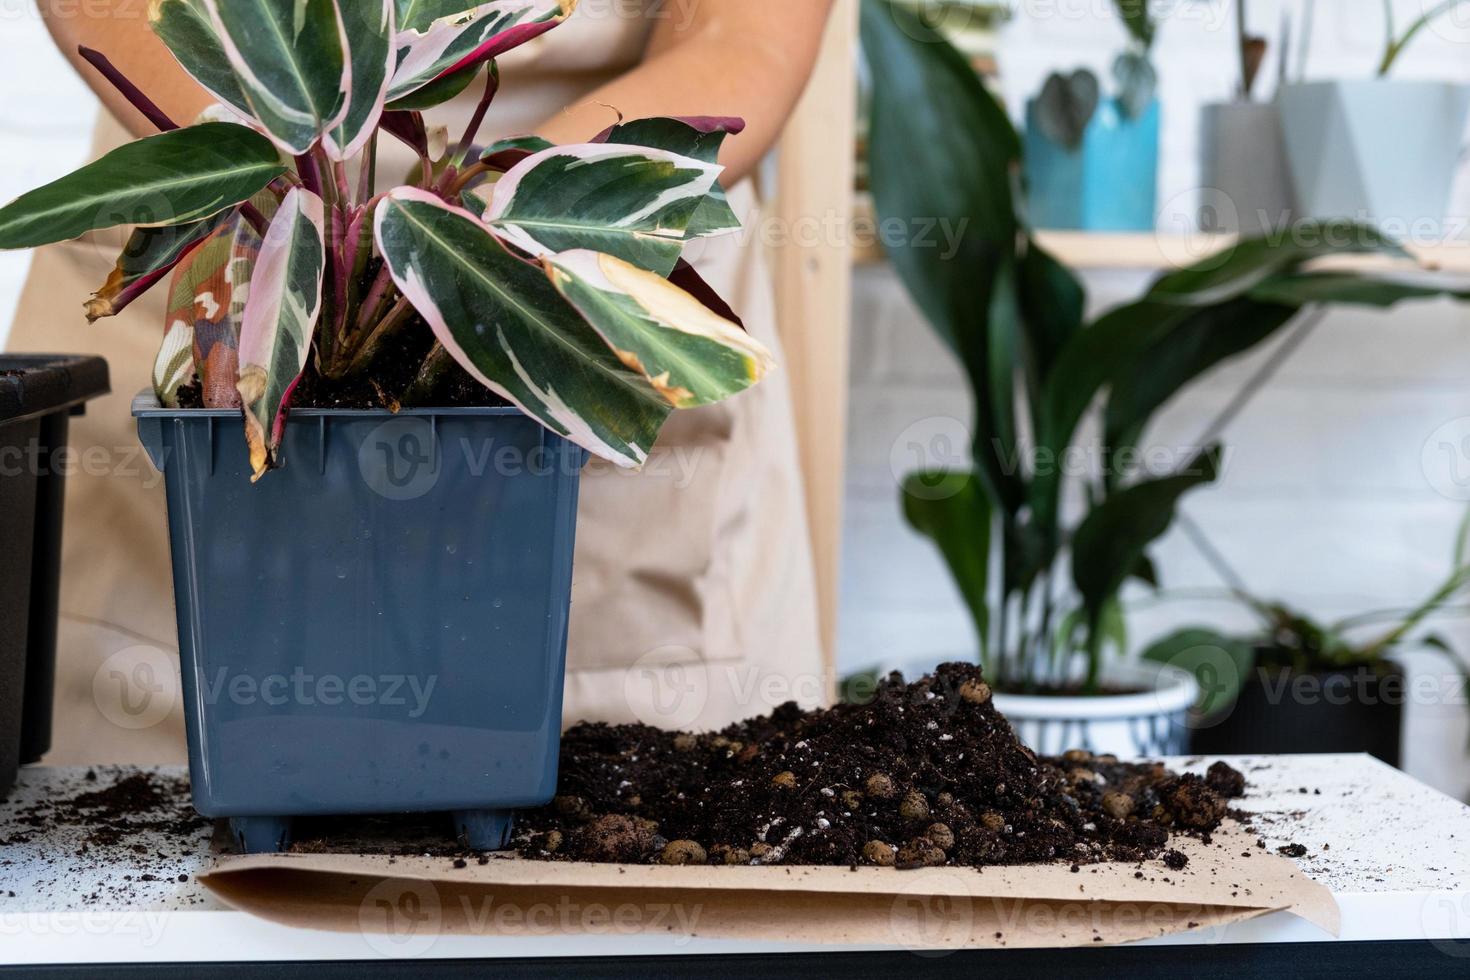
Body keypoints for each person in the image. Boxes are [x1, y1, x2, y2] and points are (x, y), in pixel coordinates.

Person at [8, 0, 833, 763]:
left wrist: (454, 247)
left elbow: (745, 34)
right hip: (220, 183)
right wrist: (297, 198)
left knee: (603, 850)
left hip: (574, 225)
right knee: (143, 837)